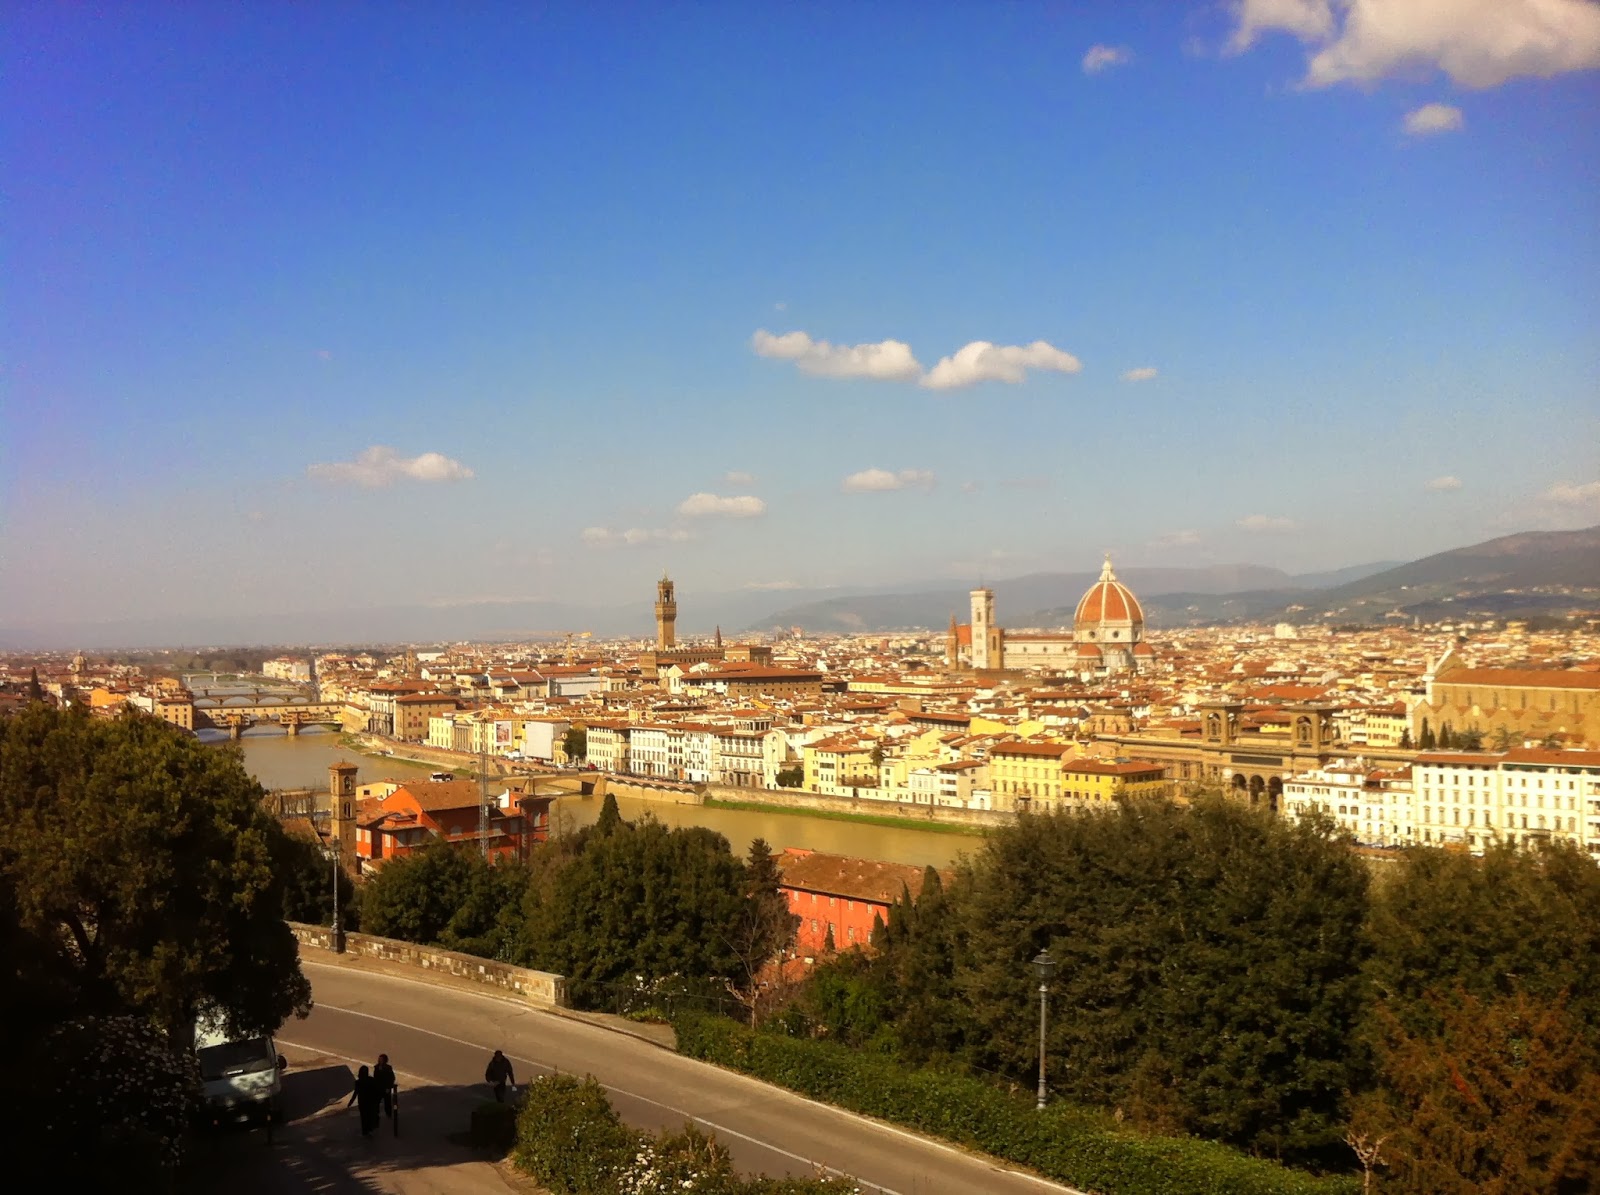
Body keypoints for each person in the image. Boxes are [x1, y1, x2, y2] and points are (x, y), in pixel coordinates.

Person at [348, 1064, 381, 1137]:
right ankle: (370, 1129)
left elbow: (356, 1093)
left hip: (362, 1103)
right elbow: (376, 1091)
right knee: (370, 1116)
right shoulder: (371, 1080)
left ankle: (365, 1131)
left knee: (364, 1117)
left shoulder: (358, 1082)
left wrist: (350, 1102)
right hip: (371, 1102)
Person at [373, 1053, 397, 1119]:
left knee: (387, 1103)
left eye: (381, 1059)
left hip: (386, 1088)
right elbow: (375, 1078)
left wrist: (388, 1087)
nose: (379, 1060)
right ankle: (376, 1114)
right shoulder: (376, 1067)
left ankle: (388, 1114)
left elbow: (392, 1078)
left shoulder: (388, 1068)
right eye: (379, 1059)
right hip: (378, 1088)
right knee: (376, 1102)